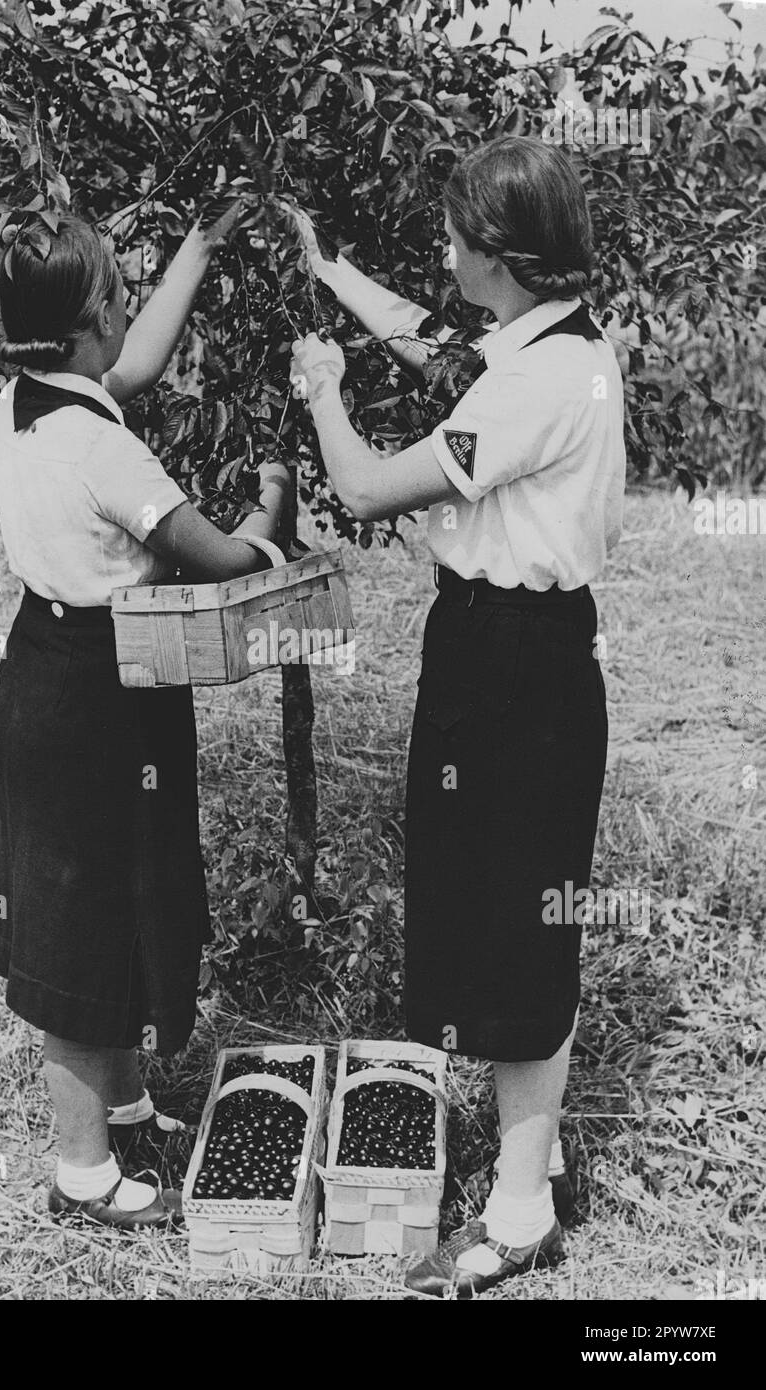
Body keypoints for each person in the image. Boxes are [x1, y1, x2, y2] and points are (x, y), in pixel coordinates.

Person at [289, 135, 625, 1297]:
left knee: (520, 914)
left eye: (453, 237)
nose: (440, 253)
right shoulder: (558, 341)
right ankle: (541, 1144)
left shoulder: (538, 384)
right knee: (491, 891)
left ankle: (523, 1208)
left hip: (514, 663)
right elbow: (441, 348)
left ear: (501, 254)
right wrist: (329, 271)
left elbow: (371, 485)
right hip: (505, 647)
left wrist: (325, 394)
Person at [0, 203, 289, 1230]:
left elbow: (137, 364)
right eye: (118, 297)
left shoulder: (28, 402)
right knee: (80, 929)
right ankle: (83, 1171)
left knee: (99, 899)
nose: (128, 313)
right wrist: (270, 515)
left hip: (47, 669)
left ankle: (120, 1102)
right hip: (97, 693)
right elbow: (215, 555)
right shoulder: (106, 451)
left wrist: (197, 252)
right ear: (84, 325)